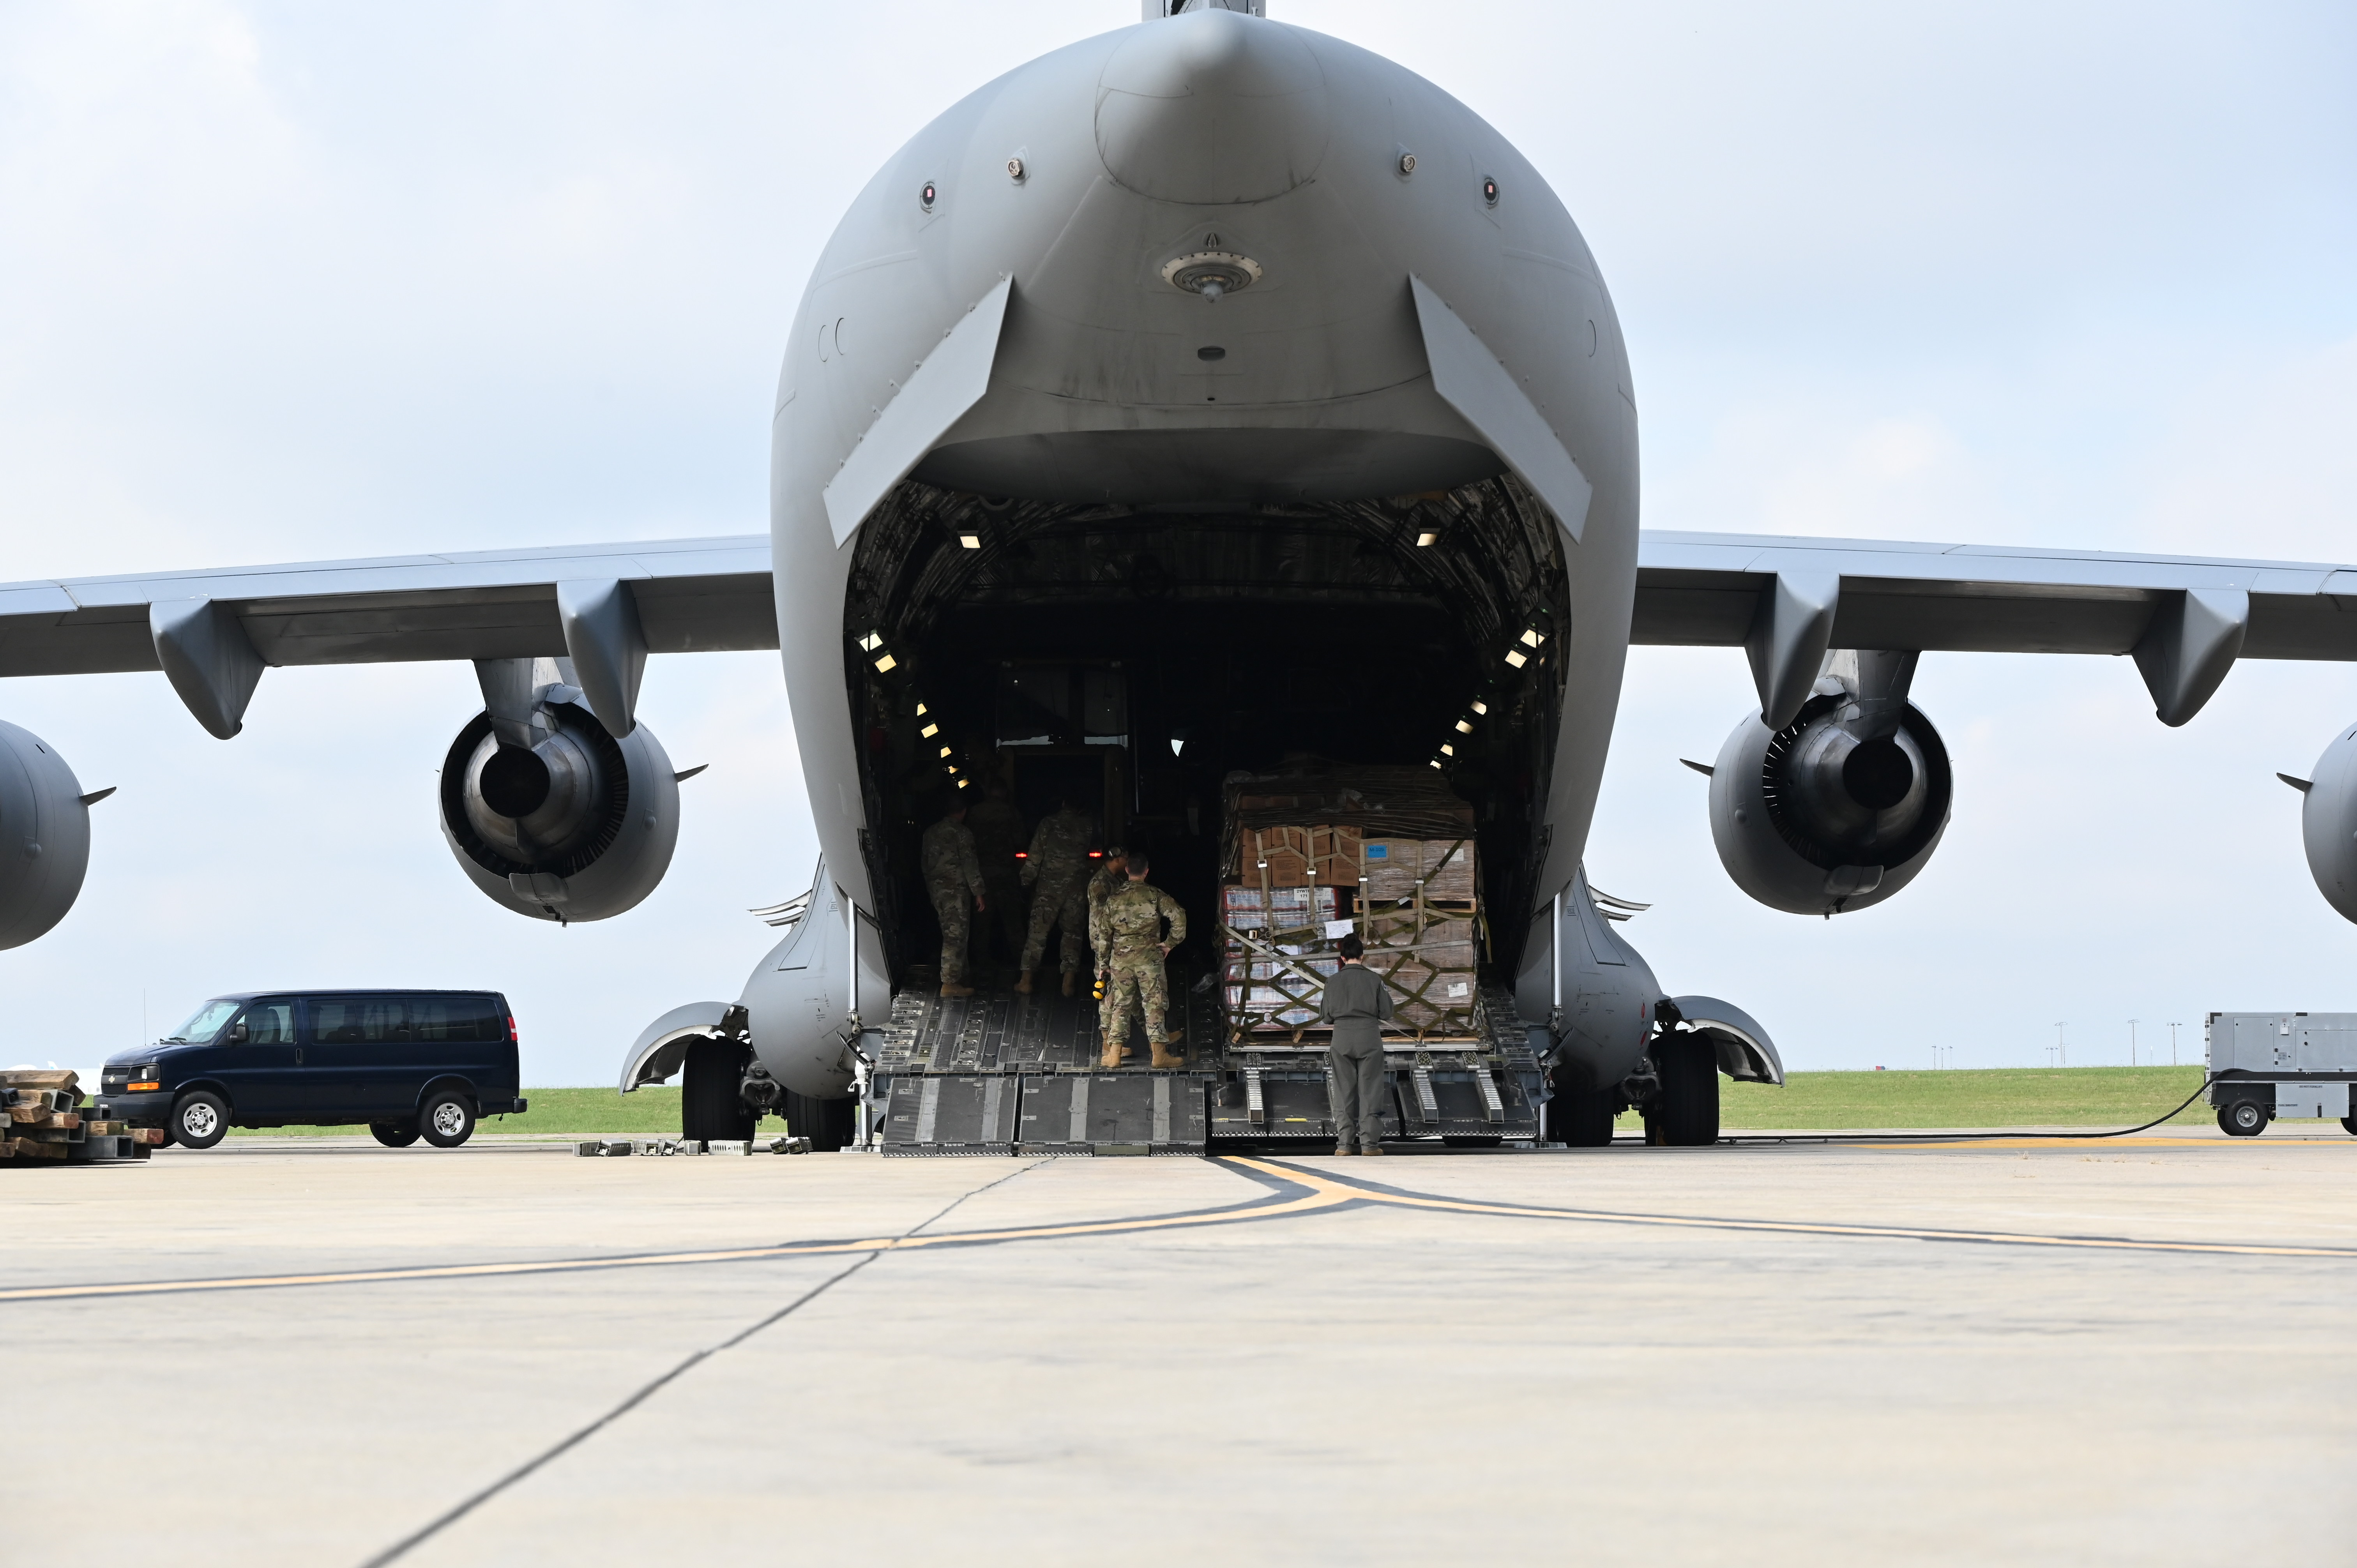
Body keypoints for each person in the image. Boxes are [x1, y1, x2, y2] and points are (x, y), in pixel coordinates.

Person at [1091, 849, 1186, 1070]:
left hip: (1120, 962)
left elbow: (1103, 934)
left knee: (1120, 1006)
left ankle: (1114, 1057)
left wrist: (1103, 965)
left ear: (1126, 871)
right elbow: (1179, 916)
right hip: (1149, 960)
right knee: (1154, 1004)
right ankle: (1159, 1057)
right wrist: (1170, 943)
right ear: (1146, 872)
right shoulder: (1155, 895)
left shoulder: (1114, 899)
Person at [1318, 932, 1394, 1155]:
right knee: (1370, 1090)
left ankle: (1344, 1145)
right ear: (1362, 956)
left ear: (1342, 958)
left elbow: (1326, 1017)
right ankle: (1370, 1145)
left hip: (1341, 1039)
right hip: (1369, 1037)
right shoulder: (1374, 980)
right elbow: (1387, 1013)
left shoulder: (1332, 982)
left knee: (1343, 1091)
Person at [1017, 798, 1095, 996]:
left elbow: (1035, 855)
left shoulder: (1049, 823)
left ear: (1062, 804)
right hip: (1076, 888)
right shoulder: (1087, 826)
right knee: (1072, 934)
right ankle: (1068, 982)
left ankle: (1026, 981)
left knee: (1038, 933)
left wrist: (1026, 881)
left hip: (1049, 889)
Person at [920, 803, 987, 997]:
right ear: (964, 811)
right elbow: (970, 864)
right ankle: (950, 983)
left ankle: (961, 976)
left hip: (938, 890)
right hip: (956, 891)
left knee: (952, 932)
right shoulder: (962, 833)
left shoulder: (930, 832)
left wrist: (932, 887)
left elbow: (925, 863)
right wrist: (979, 892)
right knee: (955, 936)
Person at [965, 779, 1028, 968]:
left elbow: (967, 841)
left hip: (981, 875)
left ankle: (980, 962)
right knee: (1013, 922)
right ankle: (1021, 962)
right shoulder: (1011, 812)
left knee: (982, 923)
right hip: (1005, 874)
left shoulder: (975, 812)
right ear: (1004, 793)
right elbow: (1021, 840)